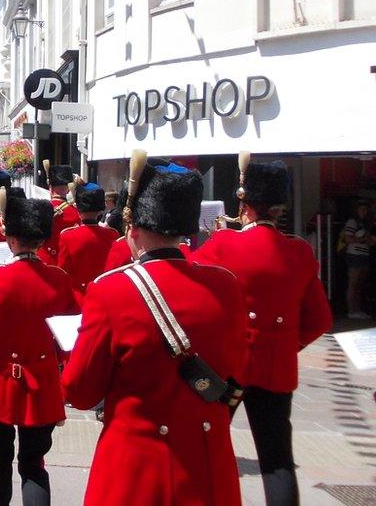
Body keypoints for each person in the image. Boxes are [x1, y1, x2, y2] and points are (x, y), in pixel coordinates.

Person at [62, 156, 247, 506]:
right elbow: (237, 375)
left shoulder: (111, 291)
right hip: (209, 469)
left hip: (136, 471)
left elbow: (80, 391)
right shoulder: (226, 286)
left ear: (133, 224)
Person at [193, 158, 333, 505]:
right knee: (277, 460)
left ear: (245, 207)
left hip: (229, 369)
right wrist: (285, 343)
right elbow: (320, 320)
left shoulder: (224, 244)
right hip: (276, 369)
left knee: (207, 446)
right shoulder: (299, 251)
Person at [0, 197, 77, 506]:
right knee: (33, 465)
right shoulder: (59, 280)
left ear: (11, 239)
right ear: (41, 240)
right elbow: (69, 334)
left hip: (2, 377)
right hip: (42, 378)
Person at [57, 182, 120, 305]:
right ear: (101, 209)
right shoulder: (113, 235)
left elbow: (63, 272)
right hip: (105, 298)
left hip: (78, 299)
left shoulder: (67, 236)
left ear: (78, 207)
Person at [40, 165, 81, 265]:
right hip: (67, 264)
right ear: (68, 189)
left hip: (43, 262)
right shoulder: (76, 213)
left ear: (50, 188)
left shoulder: (39, 209)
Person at [342, 200, 373, 319]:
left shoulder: (365, 223)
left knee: (360, 284)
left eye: (366, 209)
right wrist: (363, 239)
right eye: (362, 209)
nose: (364, 212)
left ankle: (358, 309)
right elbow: (348, 238)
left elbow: (370, 241)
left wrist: (367, 240)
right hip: (354, 255)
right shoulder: (352, 222)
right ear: (356, 210)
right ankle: (352, 310)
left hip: (364, 254)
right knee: (353, 284)